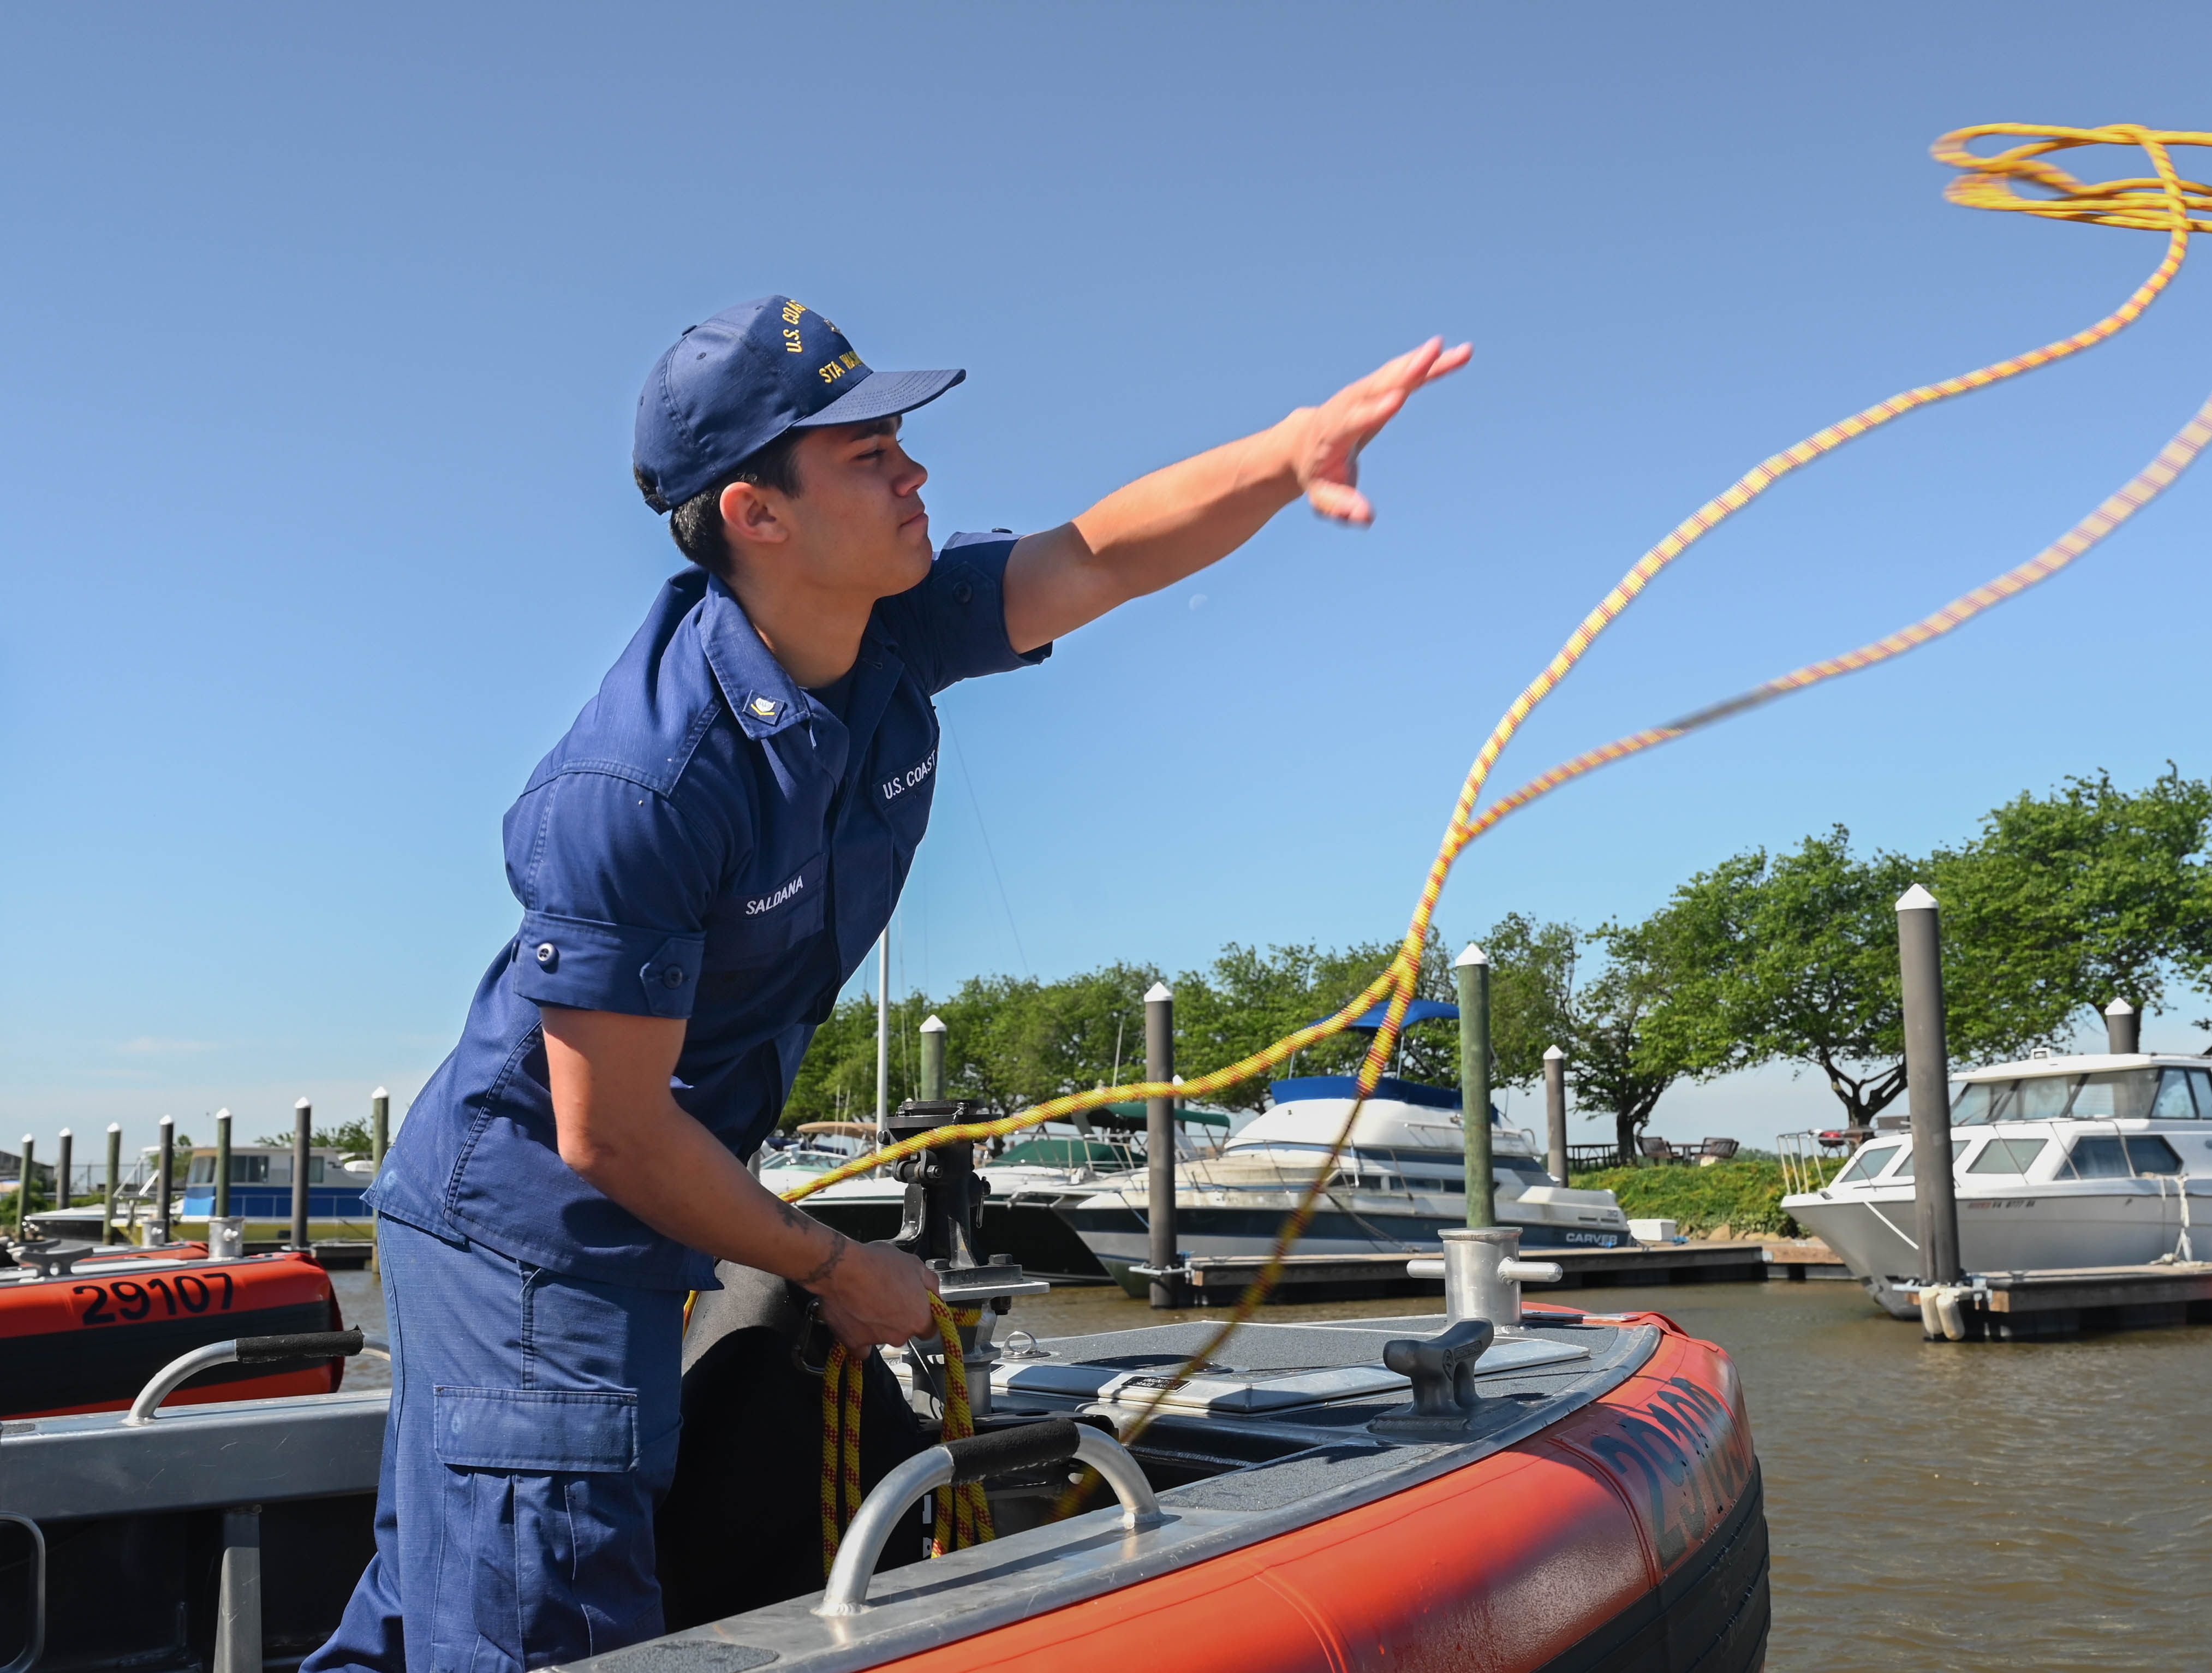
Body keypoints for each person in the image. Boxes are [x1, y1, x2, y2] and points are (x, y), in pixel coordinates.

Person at [305, 295, 1469, 1673]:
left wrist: (1290, 451)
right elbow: (605, 1131)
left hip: (651, 1201)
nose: (915, 472)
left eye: (901, 441)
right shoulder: (638, 785)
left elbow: (1097, 557)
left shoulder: (895, 629)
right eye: (868, 455)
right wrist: (835, 1264)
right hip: (530, 1236)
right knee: (537, 1620)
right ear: (759, 514)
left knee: (422, 1609)